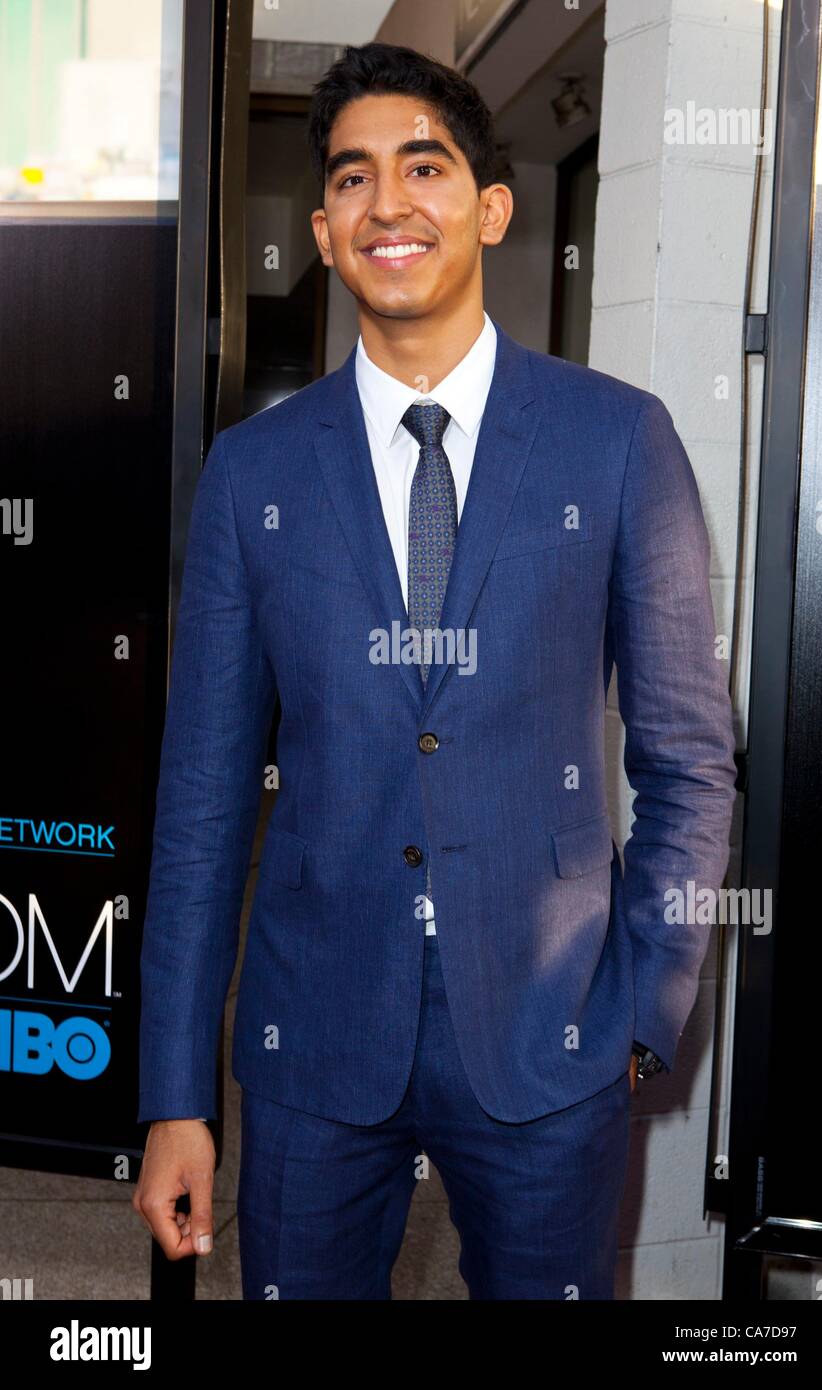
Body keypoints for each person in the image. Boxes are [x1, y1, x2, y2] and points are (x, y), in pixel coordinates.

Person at [133, 42, 737, 1300]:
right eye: (352, 178)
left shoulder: (616, 440)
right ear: (322, 230)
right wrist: (175, 1094)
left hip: (549, 1035)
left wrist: (642, 1006)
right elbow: (199, 802)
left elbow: (690, 761)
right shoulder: (253, 473)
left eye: (424, 167)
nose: (387, 204)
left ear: (491, 208)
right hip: (311, 1044)